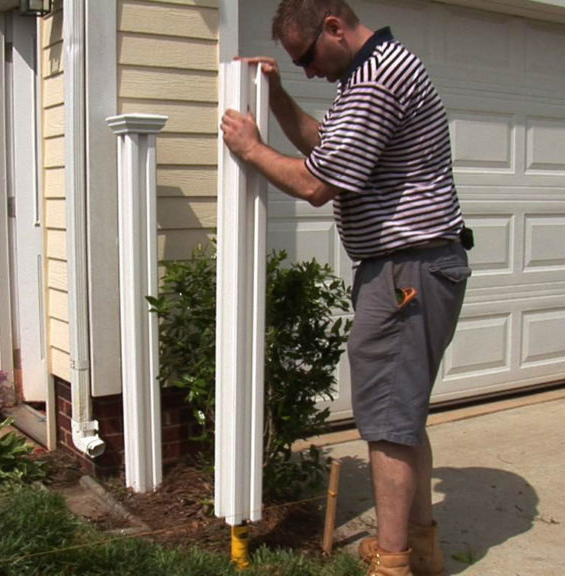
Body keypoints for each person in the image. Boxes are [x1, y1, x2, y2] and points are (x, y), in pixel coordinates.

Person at [219, 1, 470, 575]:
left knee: (385, 422)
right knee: (402, 418)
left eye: (307, 58)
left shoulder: (375, 81)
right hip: (419, 268)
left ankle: (393, 562)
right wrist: (279, 97)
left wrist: (251, 148)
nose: (309, 72)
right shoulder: (377, 70)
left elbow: (315, 183)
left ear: (334, 27)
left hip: (406, 272)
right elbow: (325, 147)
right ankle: (420, 546)